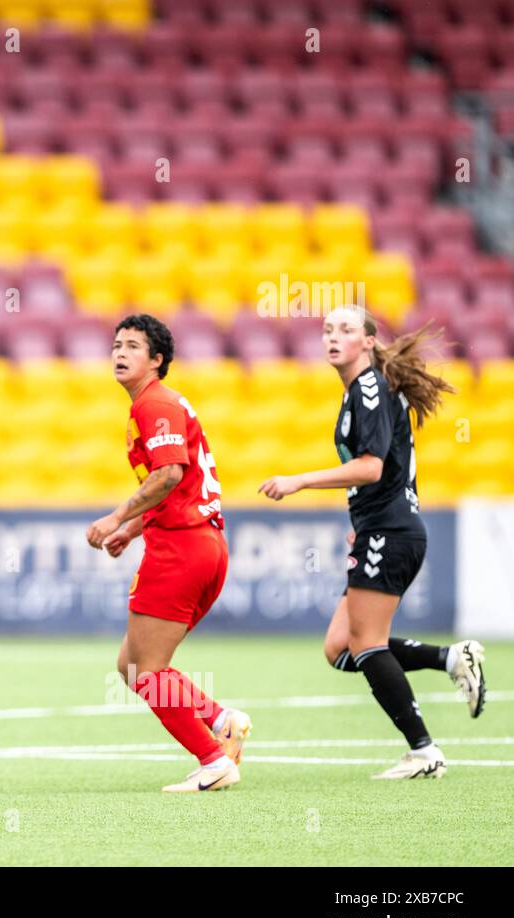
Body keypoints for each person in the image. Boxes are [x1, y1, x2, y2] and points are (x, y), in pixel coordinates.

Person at [260, 305, 483, 779]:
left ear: (367, 340)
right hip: (382, 528)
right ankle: (448, 658)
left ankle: (424, 750)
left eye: (345, 329)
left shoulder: (368, 390)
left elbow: (371, 467)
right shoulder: (360, 393)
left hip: (393, 531)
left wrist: (299, 480)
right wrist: (361, 522)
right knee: (341, 648)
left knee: (365, 644)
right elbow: (387, 470)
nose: (332, 337)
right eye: (326, 330)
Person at [86, 314, 250, 793]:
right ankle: (221, 721)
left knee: (147, 670)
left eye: (133, 346)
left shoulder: (154, 404)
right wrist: (134, 529)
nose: (120, 352)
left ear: (157, 360)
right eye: (117, 344)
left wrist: (116, 517)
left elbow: (171, 473)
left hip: (181, 547)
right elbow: (176, 485)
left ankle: (213, 759)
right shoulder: (158, 404)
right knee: (132, 665)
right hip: (202, 544)